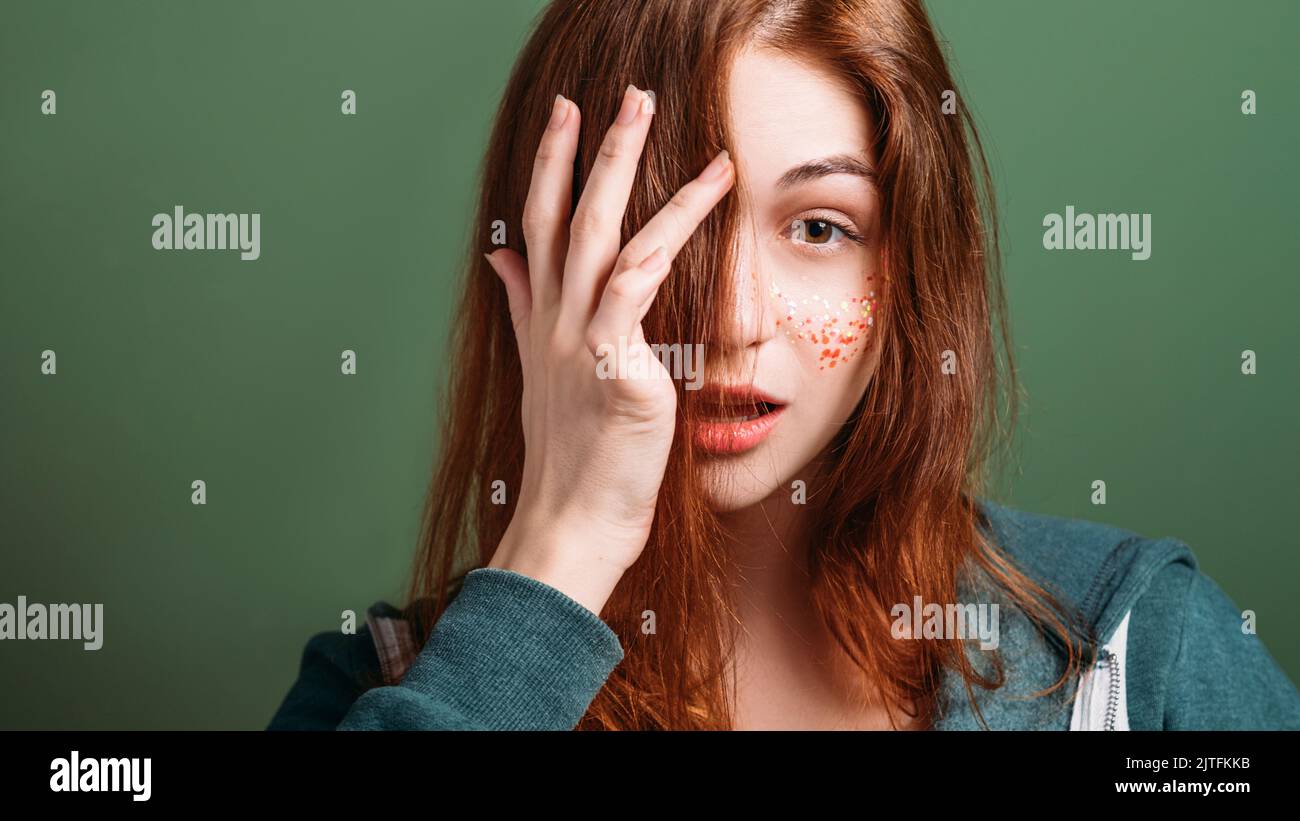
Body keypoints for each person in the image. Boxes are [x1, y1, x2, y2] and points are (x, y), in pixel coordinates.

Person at [268, 0, 1300, 730]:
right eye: (665, 228)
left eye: (818, 226)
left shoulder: (1134, 663)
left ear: (906, 268)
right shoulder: (391, 688)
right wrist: (561, 550)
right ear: (547, 255)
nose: (731, 318)